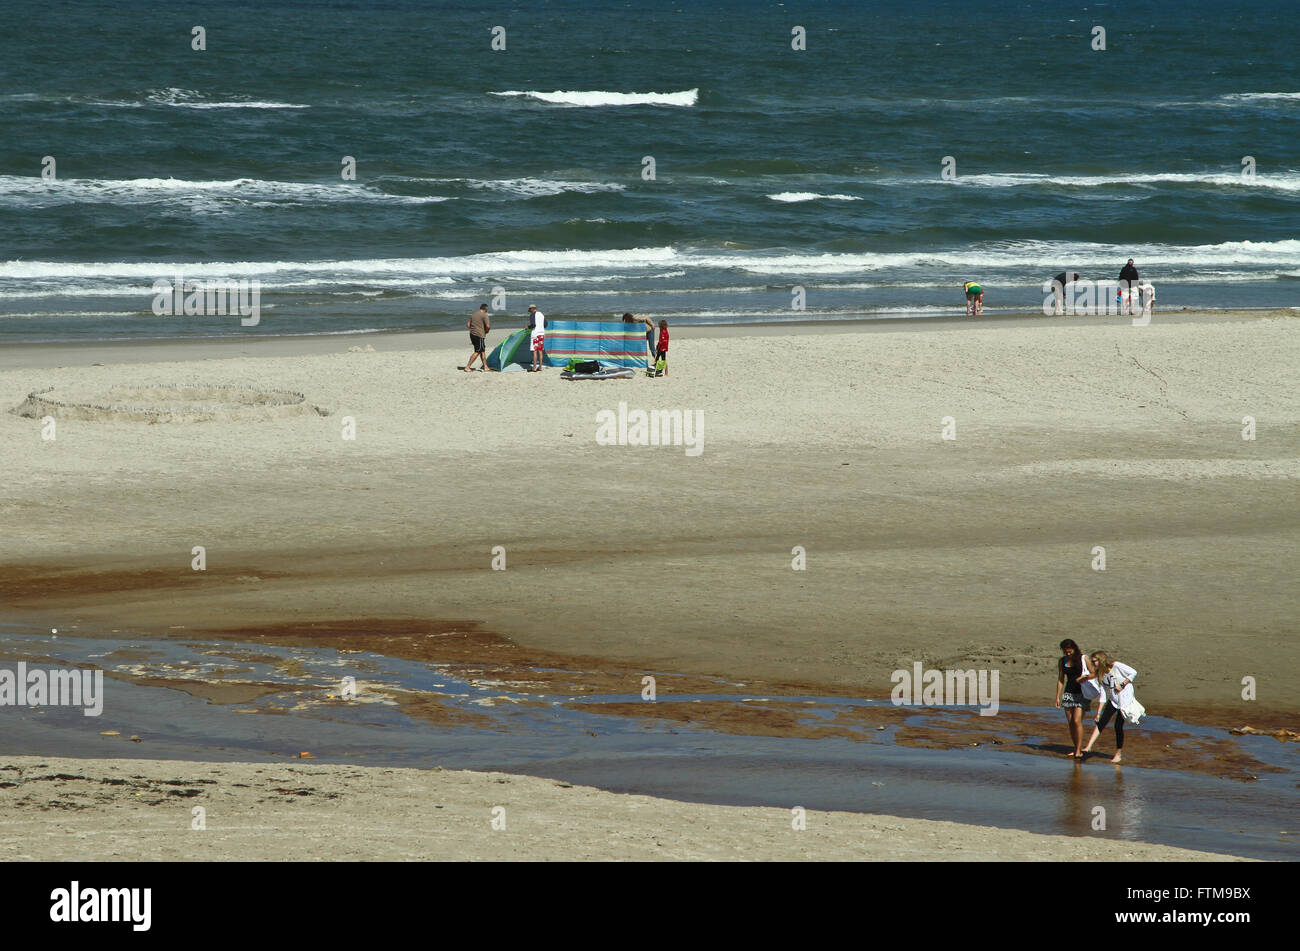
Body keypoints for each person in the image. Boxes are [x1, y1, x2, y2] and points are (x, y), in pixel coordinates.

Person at [1081, 651, 1139, 764]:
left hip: (1125, 701)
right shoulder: (1101, 674)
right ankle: (1088, 746)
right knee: (1101, 722)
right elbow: (1103, 694)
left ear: (1101, 660)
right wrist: (1098, 712)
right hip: (1113, 700)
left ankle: (1118, 753)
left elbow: (1133, 672)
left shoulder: (1116, 666)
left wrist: (1122, 685)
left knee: (1118, 726)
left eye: (1094, 661)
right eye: (1092, 662)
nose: (1093, 664)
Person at [1054, 639, 1091, 759]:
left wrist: (1084, 677)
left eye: (1070, 652)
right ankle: (1076, 748)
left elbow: (1094, 673)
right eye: (1066, 652)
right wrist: (1057, 697)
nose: (1068, 654)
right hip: (1068, 694)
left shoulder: (1083, 658)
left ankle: (1078, 751)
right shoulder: (1062, 661)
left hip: (1082, 693)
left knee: (1076, 721)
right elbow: (1061, 679)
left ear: (1074, 648)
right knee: (1071, 724)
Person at [465, 304, 491, 372]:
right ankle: (467, 367)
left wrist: (474, 329)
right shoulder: (484, 315)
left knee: (482, 350)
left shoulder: (473, 314)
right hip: (479, 335)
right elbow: (488, 326)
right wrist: (486, 331)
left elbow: (468, 325)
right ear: (486, 309)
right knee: (478, 351)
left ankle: (485, 366)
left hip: (472, 334)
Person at [527, 304, 546, 372]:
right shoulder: (541, 314)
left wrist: (528, 327)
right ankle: (540, 367)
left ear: (532, 309)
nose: (529, 311)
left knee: (534, 351)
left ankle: (534, 368)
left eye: (529, 309)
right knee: (540, 351)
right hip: (542, 334)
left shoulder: (532, 315)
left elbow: (533, 325)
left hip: (535, 334)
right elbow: (545, 324)